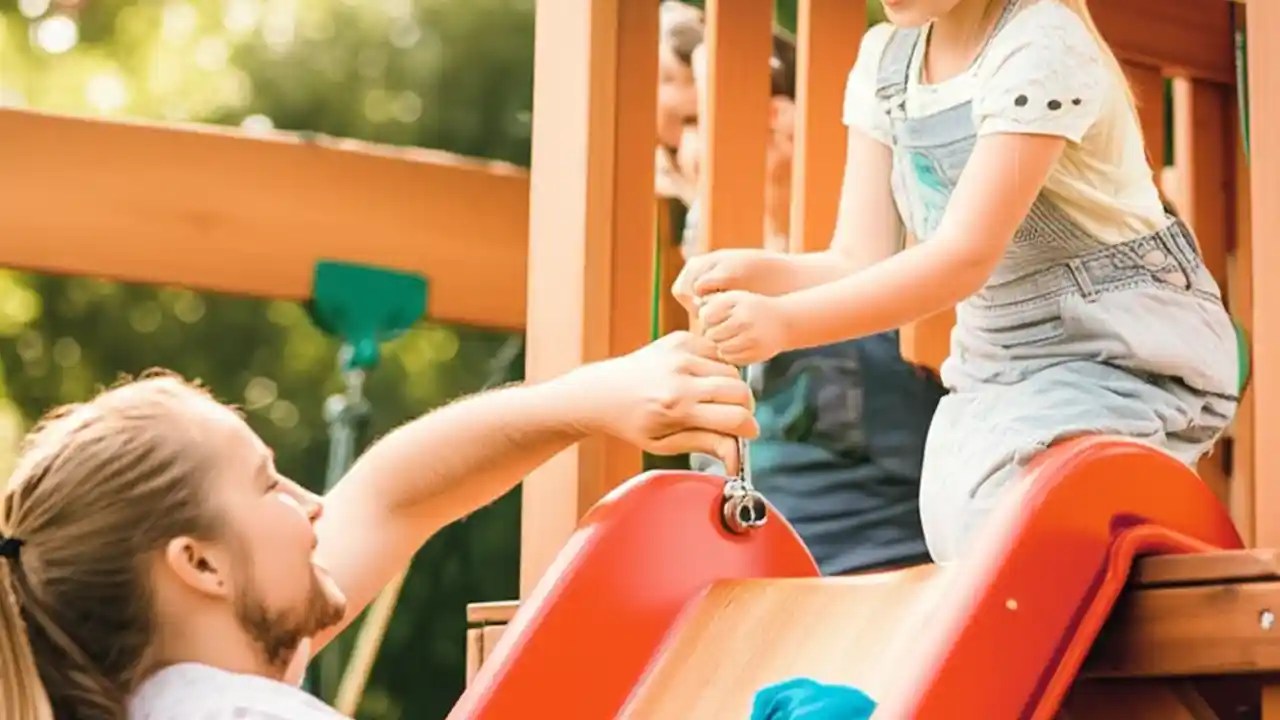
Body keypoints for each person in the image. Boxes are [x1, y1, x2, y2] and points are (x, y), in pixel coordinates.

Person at [674, 0, 1240, 563]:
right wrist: (762, 277)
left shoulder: (1040, 44)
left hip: (1117, 348)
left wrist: (785, 323)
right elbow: (857, 257)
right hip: (998, 358)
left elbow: (966, 255)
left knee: (1000, 512)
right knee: (949, 517)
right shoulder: (887, 63)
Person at [0, 331, 758, 720]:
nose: (312, 505)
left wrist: (585, 399)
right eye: (269, 485)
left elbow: (394, 494)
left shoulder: (154, 694)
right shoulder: (237, 714)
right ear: (200, 566)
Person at [675, 21, 945, 576]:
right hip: (742, 557)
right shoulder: (709, 247)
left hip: (884, 549)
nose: (687, 147)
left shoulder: (886, 216)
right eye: (685, 128)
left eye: (698, 120)